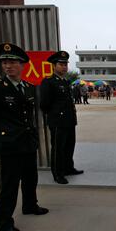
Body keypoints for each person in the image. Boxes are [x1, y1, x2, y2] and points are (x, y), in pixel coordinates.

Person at [0, 43, 48, 231]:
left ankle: (30, 205)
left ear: (23, 64)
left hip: (27, 142)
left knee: (30, 178)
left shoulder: (28, 88)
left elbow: (29, 115)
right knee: (8, 185)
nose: (8, 66)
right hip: (8, 145)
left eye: (13, 62)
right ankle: (3, 224)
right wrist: (2, 132)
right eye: (5, 62)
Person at [40, 51, 84, 185]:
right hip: (58, 122)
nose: (64, 67)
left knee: (69, 146)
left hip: (69, 120)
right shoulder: (48, 82)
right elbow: (44, 104)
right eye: (61, 64)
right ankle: (58, 173)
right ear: (54, 65)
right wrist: (55, 116)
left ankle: (68, 168)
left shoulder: (65, 81)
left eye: (65, 64)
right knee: (58, 148)